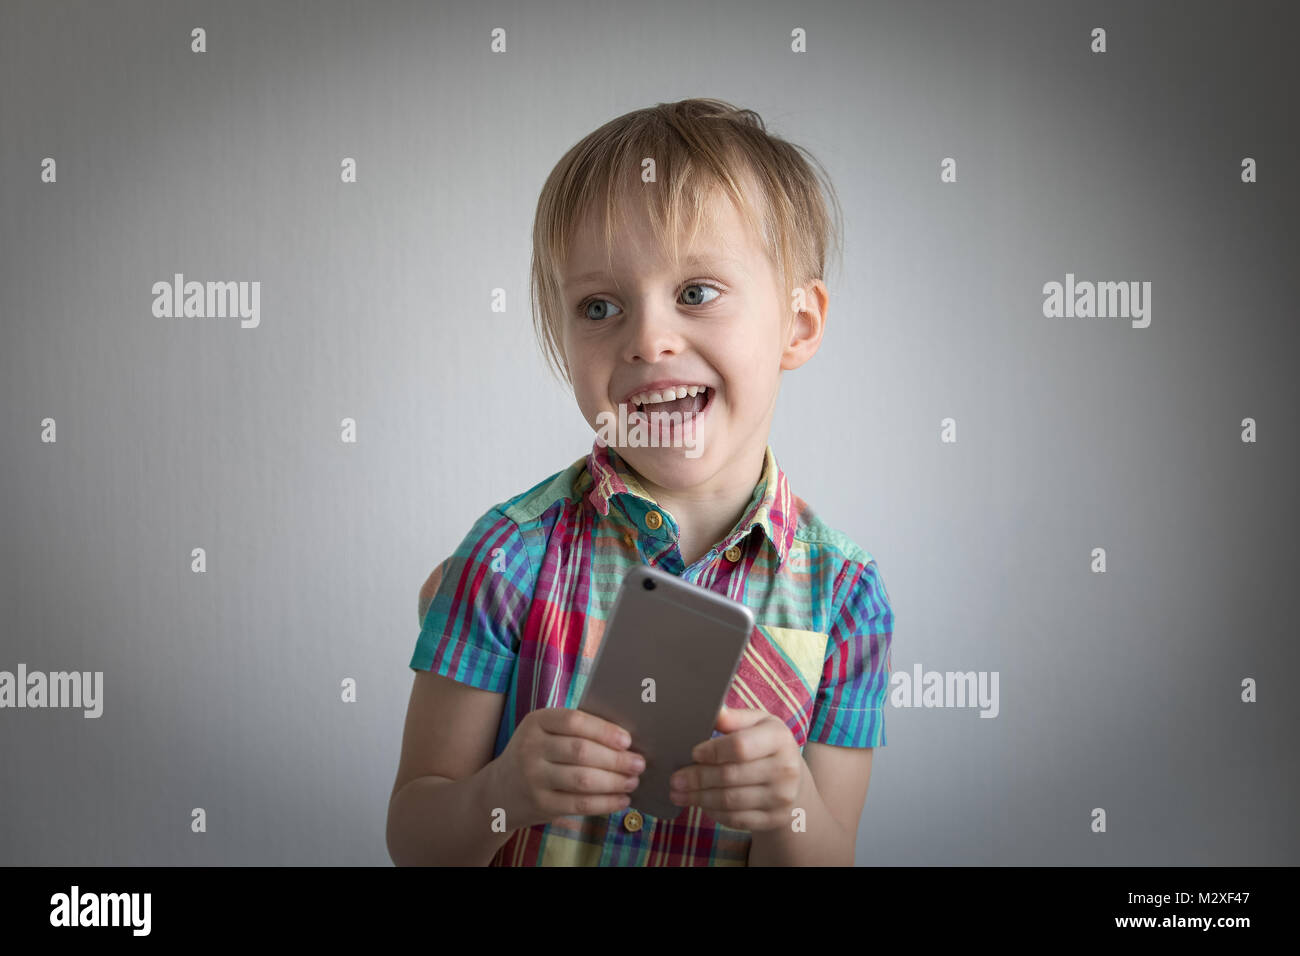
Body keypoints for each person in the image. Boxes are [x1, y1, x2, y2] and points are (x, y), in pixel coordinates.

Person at [387, 98, 894, 866]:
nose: (649, 339)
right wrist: (502, 795)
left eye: (696, 292)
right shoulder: (504, 558)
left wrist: (788, 808)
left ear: (799, 324)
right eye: (600, 306)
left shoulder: (847, 598)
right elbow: (418, 841)